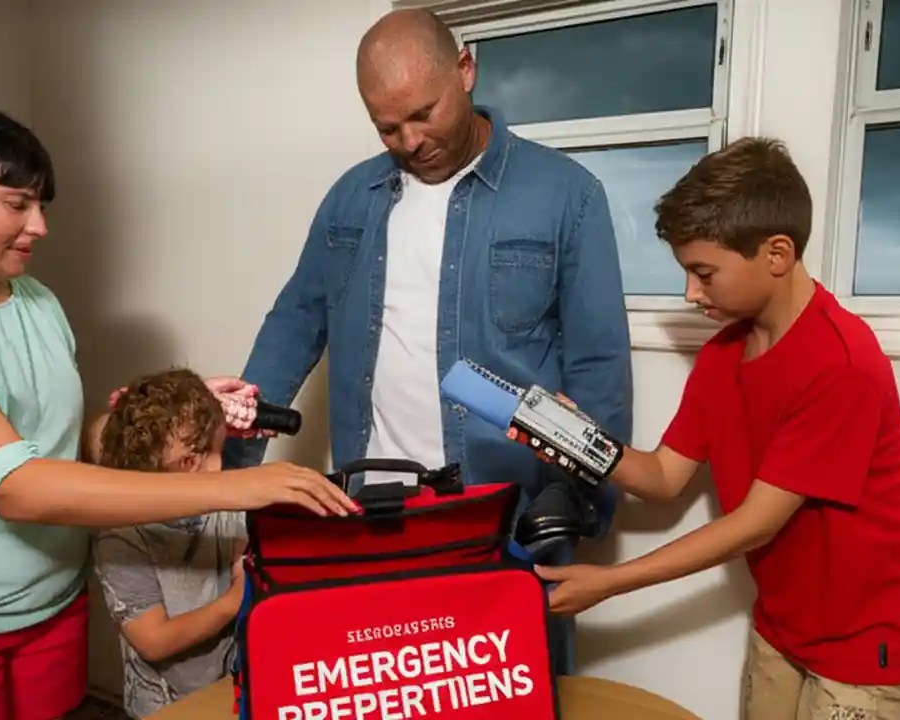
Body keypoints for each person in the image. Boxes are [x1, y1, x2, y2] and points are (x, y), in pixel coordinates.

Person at [0, 102, 355, 720]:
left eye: (42, 205)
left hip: (55, 603)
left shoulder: (35, 301)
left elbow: (58, 440)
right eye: (17, 204)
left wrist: (170, 419)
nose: (40, 226)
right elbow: (16, 485)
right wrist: (238, 487)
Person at [223, 9, 633, 676]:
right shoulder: (350, 199)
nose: (411, 140)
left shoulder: (567, 195)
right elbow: (295, 322)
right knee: (390, 689)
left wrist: (579, 497)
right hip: (373, 514)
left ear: (466, 69)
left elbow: (597, 362)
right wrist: (234, 472)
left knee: (507, 701)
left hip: (503, 514)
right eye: (388, 127)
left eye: (424, 113)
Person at [537, 137, 900, 719]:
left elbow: (755, 524)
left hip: (871, 636)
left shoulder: (841, 361)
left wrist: (611, 582)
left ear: (776, 254)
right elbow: (662, 476)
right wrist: (579, 440)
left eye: (704, 273)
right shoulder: (725, 353)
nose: (690, 292)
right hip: (785, 623)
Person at [87, 368, 247, 719]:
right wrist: (233, 601)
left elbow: (245, 560)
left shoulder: (222, 508)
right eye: (208, 455)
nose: (219, 468)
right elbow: (154, 640)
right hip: (161, 707)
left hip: (226, 689)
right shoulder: (121, 539)